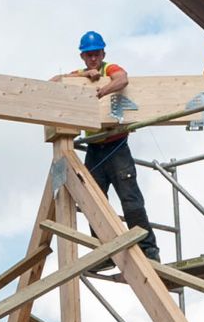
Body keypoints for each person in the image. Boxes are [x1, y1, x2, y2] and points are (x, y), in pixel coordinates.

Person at [57, 29, 153, 232]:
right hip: (94, 148)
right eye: (89, 55)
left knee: (130, 198)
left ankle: (147, 250)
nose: (93, 58)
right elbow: (54, 82)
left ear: (103, 54)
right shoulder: (78, 76)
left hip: (116, 144)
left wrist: (101, 92)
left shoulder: (110, 68)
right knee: (93, 199)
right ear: (82, 56)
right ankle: (105, 251)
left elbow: (122, 79)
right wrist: (84, 75)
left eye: (96, 54)